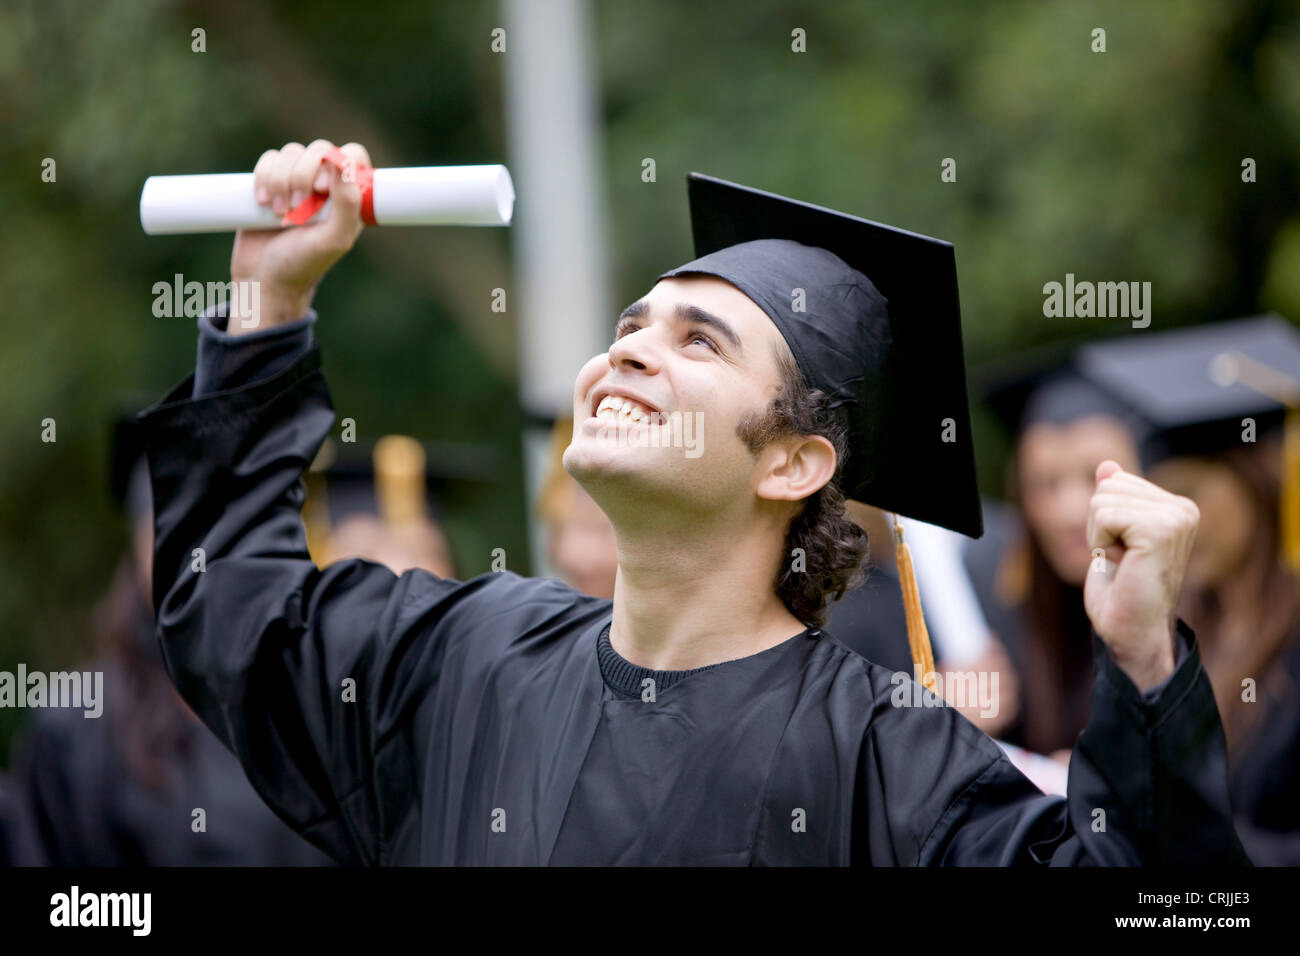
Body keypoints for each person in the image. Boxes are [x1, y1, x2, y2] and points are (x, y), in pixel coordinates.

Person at [134, 140, 1246, 865]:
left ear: (793, 464)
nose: (628, 355)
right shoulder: (466, 653)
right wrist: (267, 301)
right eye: (627, 328)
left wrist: (1145, 665)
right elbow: (235, 612)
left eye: (696, 341)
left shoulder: (886, 761)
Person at [11, 423, 334, 866]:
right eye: (170, 526)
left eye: (224, 524)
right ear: (136, 548)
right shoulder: (76, 724)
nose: (199, 552)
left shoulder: (315, 718)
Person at [1075, 315, 1300, 865]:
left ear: (1257, 485)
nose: (1171, 519)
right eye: (1158, 495)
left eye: (1191, 491)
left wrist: (1185, 840)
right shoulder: (1176, 625)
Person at [966, 367, 1149, 765]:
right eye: (1044, 484)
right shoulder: (1007, 613)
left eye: (1094, 476)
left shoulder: (1198, 616)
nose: (1067, 512)